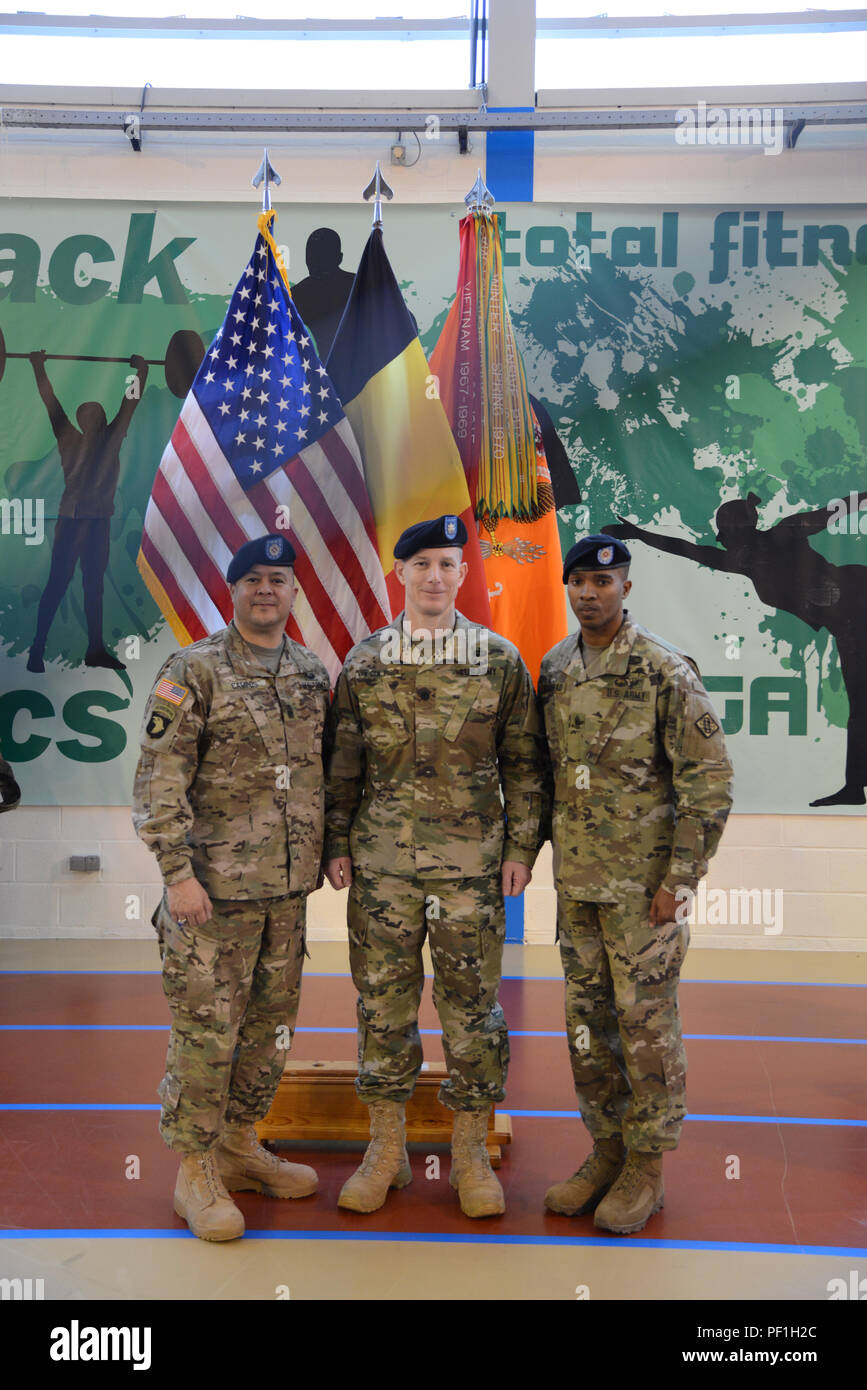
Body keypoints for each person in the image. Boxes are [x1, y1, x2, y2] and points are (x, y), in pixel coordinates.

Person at [324, 514, 546, 1218]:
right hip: (383, 867)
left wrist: (519, 849)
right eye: (420, 565)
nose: (433, 577)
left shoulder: (499, 660)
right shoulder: (364, 663)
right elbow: (344, 764)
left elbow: (524, 763)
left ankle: (471, 1155)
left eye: (447, 565)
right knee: (382, 1009)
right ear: (401, 575)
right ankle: (384, 1151)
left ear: (461, 574)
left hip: (470, 869)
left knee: (472, 1013)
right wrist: (335, 842)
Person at [132, 534, 330, 1242]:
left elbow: (320, 777)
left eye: (278, 578)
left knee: (268, 1032)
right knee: (205, 1035)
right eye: (252, 580)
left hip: (285, 894)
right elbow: (158, 780)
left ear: (293, 591)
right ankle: (194, 1172)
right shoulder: (193, 670)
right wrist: (177, 875)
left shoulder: (309, 674)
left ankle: (240, 1145)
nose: (266, 590)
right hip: (209, 895)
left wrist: (325, 856)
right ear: (233, 591)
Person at [538, 534, 733, 1234]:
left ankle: (646, 1168)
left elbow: (708, 782)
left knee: (644, 1027)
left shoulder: (661, 670)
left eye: (602, 579)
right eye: (578, 581)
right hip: (578, 890)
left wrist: (679, 880)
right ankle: (605, 1150)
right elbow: (547, 774)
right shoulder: (556, 667)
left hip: (642, 893)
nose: (588, 592)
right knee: (587, 1028)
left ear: (625, 586)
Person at [605, 491, 867, 806]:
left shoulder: (786, 532)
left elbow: (832, 511)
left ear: (740, 529)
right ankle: (854, 787)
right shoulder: (743, 561)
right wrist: (637, 534)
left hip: (859, 598)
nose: (720, 540)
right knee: (860, 707)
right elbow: (686, 549)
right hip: (849, 625)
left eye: (724, 532)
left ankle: (854, 786)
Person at [27, 350, 149, 673]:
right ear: (82, 421)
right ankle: (37, 648)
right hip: (72, 520)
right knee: (58, 582)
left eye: (95, 412)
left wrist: (141, 372)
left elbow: (130, 402)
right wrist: (38, 367)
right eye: (88, 413)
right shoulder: (69, 437)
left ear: (101, 418)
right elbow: (50, 400)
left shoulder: (111, 437)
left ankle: (95, 649)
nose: (93, 416)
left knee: (93, 585)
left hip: (98, 521)